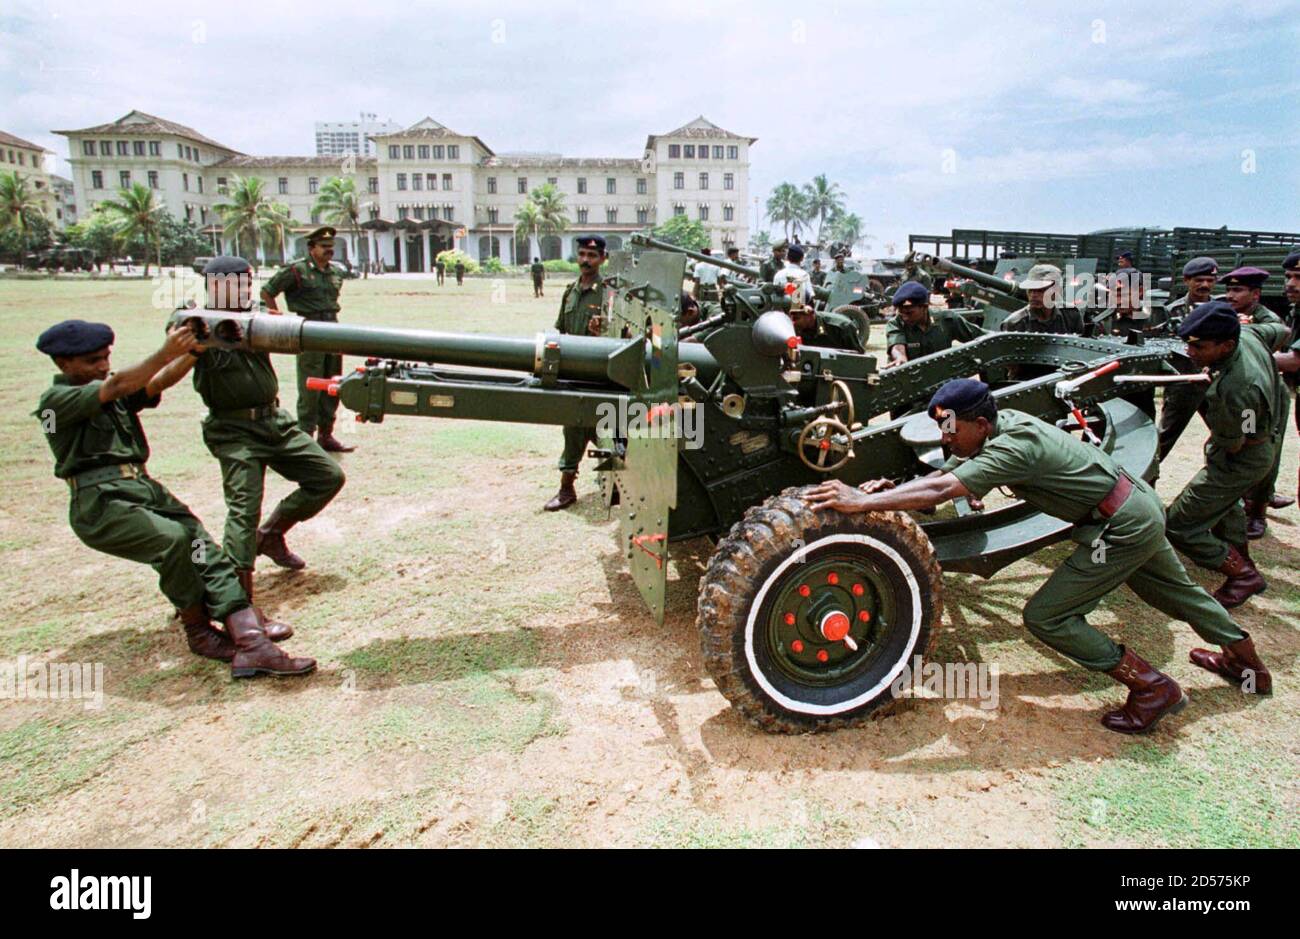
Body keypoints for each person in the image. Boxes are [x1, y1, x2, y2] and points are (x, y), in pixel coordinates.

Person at [803, 378, 1271, 733]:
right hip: (1136, 507)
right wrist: (896, 489)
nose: (946, 438)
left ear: (981, 424)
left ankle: (1152, 687)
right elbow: (949, 472)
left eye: (952, 429)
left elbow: (946, 486)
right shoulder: (1002, 425)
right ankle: (1246, 663)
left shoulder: (1014, 447)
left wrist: (862, 502)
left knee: (1048, 617)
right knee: (1177, 593)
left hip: (1120, 525)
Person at [33, 319, 314, 678]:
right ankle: (198, 630)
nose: (103, 366)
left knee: (202, 547)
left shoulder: (110, 386)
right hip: (101, 503)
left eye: (105, 357)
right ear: (62, 364)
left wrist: (195, 352)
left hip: (141, 489)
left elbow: (156, 382)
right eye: (92, 361)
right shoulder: (56, 402)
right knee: (174, 542)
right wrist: (167, 351)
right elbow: (120, 383)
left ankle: (251, 640)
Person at [191, 256, 346, 631]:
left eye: (247, 283)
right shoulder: (195, 322)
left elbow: (279, 326)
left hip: (273, 421)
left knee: (327, 476)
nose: (246, 290)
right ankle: (238, 607)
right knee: (244, 508)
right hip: (233, 430)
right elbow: (188, 333)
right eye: (238, 284)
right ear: (215, 286)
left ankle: (273, 534)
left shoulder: (256, 315)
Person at [1163, 302, 1291, 607]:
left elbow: (1235, 442)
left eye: (1200, 347)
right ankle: (1238, 555)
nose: (1191, 353)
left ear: (1226, 345)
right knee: (1227, 504)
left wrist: (1228, 434)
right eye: (1188, 345)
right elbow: (1283, 331)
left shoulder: (1238, 388)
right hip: (1255, 448)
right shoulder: (1248, 332)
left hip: (1241, 457)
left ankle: (1243, 575)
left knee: (1178, 525)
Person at [260, 226, 355, 453]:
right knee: (310, 385)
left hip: (333, 329)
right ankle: (305, 437)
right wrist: (276, 315)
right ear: (311, 248)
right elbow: (267, 291)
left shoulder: (335, 272)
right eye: (324, 247)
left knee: (333, 384)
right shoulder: (296, 271)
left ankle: (326, 435)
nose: (329, 251)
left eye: (331, 247)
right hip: (309, 330)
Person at [1218, 267, 1293, 532]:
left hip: (1268, 396)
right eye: (1228, 289)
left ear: (1256, 294)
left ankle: (1257, 512)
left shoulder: (1266, 319)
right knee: (1240, 445)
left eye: (1237, 290)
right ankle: (1238, 504)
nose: (1230, 295)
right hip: (1245, 395)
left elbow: (1275, 344)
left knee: (1262, 446)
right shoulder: (1230, 314)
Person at [544, 235, 608, 511]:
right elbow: (562, 331)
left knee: (611, 429)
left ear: (603, 259)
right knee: (573, 427)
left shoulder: (609, 292)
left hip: (602, 373)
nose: (585, 260)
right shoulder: (570, 292)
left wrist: (603, 330)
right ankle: (566, 487)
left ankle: (619, 480)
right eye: (582, 254)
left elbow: (625, 333)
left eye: (592, 256)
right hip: (573, 373)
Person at [883, 280, 985, 417]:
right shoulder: (896, 323)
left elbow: (981, 338)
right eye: (901, 312)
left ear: (924, 307)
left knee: (948, 430)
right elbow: (896, 344)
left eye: (909, 312)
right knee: (902, 432)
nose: (904, 317)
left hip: (941, 391)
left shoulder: (947, 320)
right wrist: (900, 357)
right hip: (908, 392)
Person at [1157, 257, 1220, 459]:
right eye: (1199, 280)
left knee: (1227, 433)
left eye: (1210, 280)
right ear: (1186, 281)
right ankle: (1146, 481)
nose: (1205, 285)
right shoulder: (1171, 311)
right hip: (1183, 383)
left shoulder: (1222, 309)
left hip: (1215, 383)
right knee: (1163, 438)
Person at [1000, 264, 1084, 334]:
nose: (1033, 295)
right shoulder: (1014, 324)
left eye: (1040, 290)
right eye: (1030, 290)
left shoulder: (1071, 315)